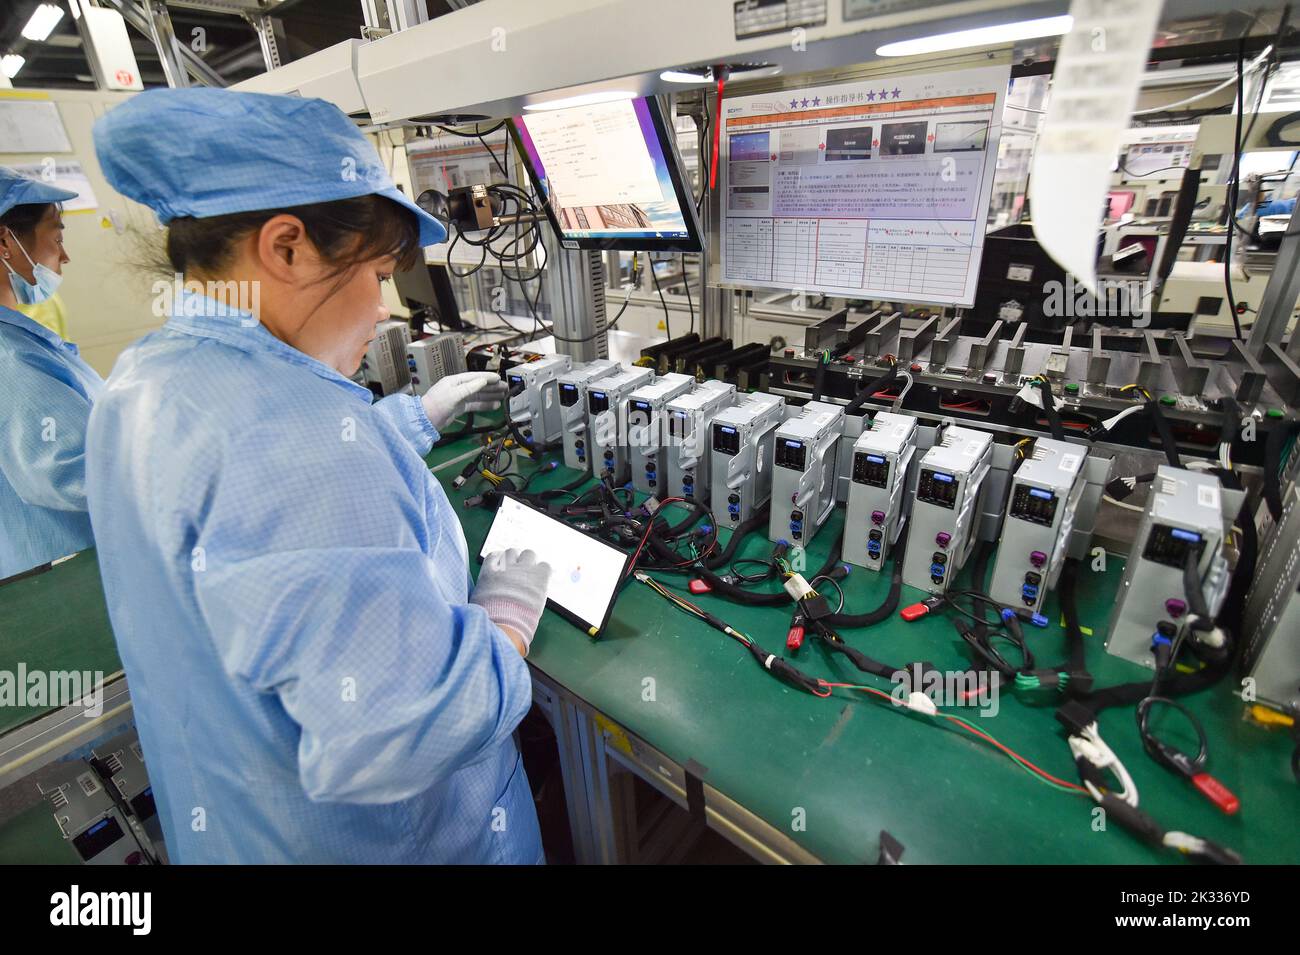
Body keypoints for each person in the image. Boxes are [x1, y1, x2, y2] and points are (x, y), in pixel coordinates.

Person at [87, 88, 552, 864]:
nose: (380, 308)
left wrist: (407, 420)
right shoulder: (291, 437)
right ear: (287, 247)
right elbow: (403, 731)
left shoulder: (144, 382)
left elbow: (257, 503)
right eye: (375, 272)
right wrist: (504, 627)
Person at [0, 167, 102, 581]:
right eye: (57, 238)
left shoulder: (20, 342)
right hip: (56, 573)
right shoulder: (11, 356)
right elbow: (65, 471)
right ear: (6, 241)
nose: (64, 256)